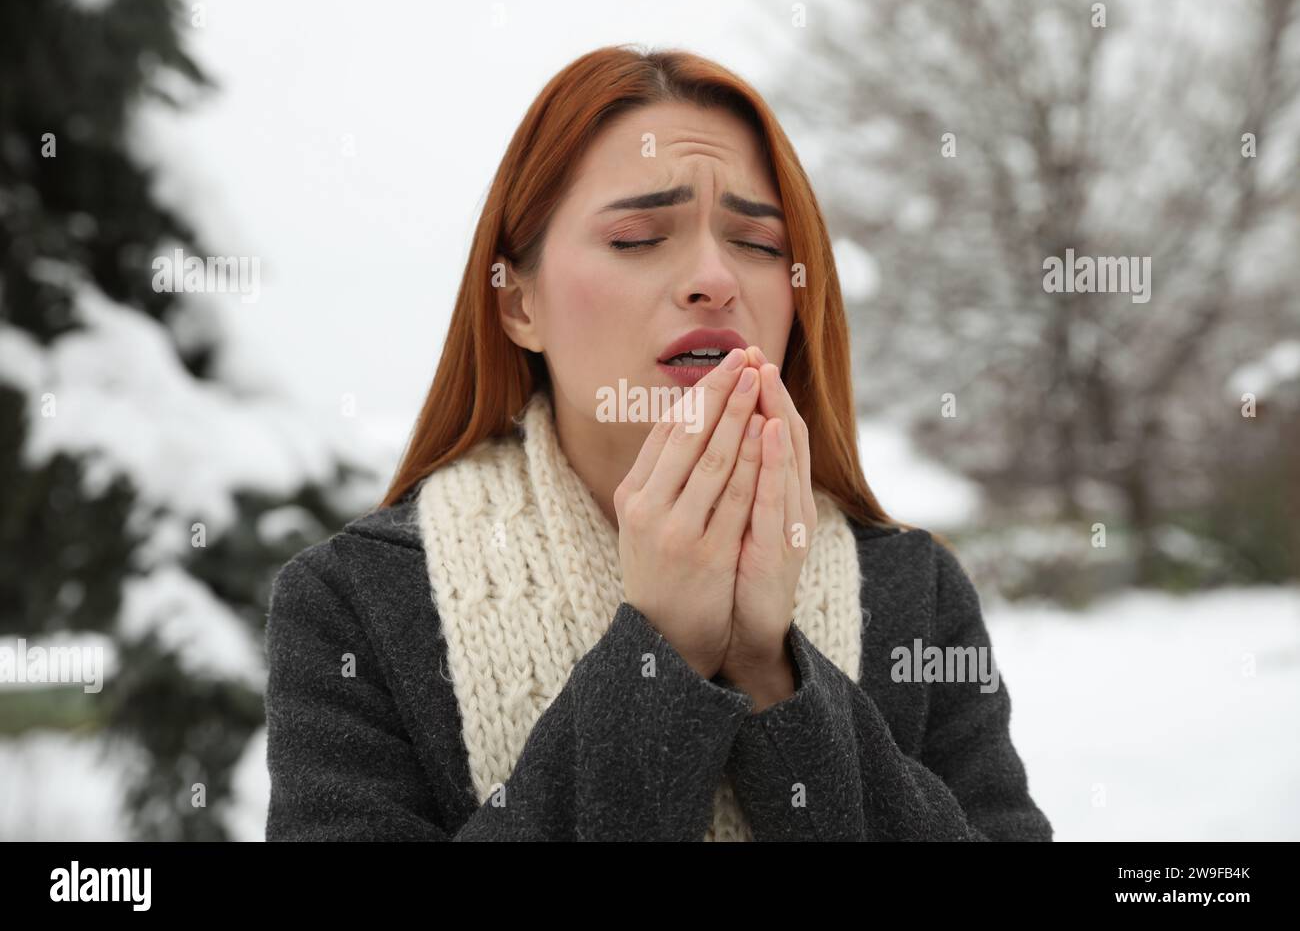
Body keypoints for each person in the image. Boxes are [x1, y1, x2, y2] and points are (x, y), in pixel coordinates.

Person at [263, 44, 1053, 842]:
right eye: (639, 237)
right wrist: (660, 655)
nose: (715, 277)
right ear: (517, 304)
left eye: (760, 244)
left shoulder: (913, 593)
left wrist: (780, 680)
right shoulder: (355, 604)